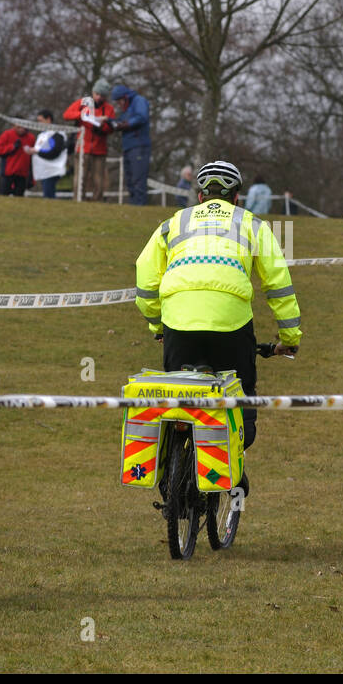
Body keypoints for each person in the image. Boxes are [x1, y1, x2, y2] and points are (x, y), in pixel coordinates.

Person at [134, 160, 302, 498]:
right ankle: (231, 467)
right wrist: (289, 339)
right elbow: (278, 286)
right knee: (240, 401)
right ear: (237, 198)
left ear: (199, 196)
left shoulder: (173, 223)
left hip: (178, 323)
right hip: (231, 324)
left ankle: (169, 478)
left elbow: (146, 278)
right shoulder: (251, 224)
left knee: (176, 399)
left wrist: (157, 324)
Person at [63, 79, 115, 202]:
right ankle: (78, 199)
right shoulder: (82, 103)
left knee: (99, 180)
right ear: (93, 92)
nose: (98, 97)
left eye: (102, 95)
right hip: (82, 148)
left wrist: (102, 125)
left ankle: (97, 201)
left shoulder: (109, 109)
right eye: (97, 94)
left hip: (100, 149)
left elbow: (112, 127)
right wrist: (81, 114)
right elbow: (66, 115)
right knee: (80, 177)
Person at [109, 84, 151, 205]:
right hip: (128, 147)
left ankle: (140, 207)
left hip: (139, 146)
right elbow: (121, 121)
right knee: (130, 180)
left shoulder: (139, 101)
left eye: (119, 101)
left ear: (125, 97)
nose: (119, 104)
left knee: (138, 179)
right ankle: (134, 206)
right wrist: (108, 121)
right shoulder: (127, 110)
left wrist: (126, 124)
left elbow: (141, 117)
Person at [28, 109, 67, 199]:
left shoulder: (55, 134)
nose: (39, 123)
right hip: (43, 170)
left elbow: (54, 152)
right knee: (47, 195)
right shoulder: (42, 135)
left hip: (51, 170)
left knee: (49, 196)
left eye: (41, 121)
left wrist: (38, 152)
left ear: (48, 119)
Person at [0, 122, 35, 196]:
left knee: (19, 197)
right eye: (18, 127)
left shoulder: (31, 138)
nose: (21, 129)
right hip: (8, 172)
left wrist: (32, 176)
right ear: (14, 126)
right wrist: (12, 147)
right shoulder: (7, 134)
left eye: (23, 127)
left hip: (23, 174)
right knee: (3, 196)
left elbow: (33, 157)